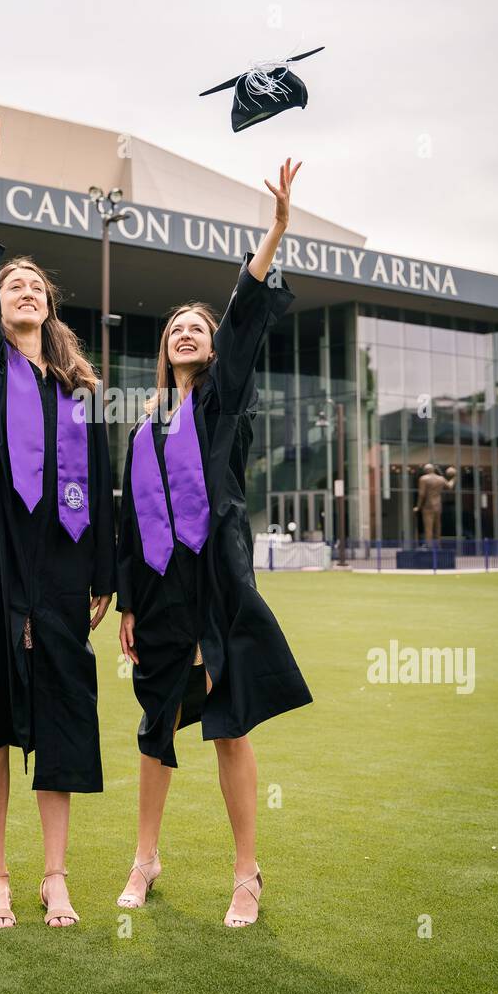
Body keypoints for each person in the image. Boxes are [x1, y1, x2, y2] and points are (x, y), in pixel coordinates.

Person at [115, 158, 313, 927]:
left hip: (219, 586)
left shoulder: (223, 403)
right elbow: (130, 525)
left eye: (199, 327)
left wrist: (275, 231)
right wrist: (128, 603)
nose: (191, 333)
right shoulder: (140, 433)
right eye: (177, 329)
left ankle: (244, 874)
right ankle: (145, 858)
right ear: (165, 351)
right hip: (161, 592)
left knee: (229, 724)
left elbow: (244, 315)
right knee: (154, 726)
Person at [0, 104, 116, 929]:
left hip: (59, 572)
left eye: (34, 285)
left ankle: (55, 875)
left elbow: (107, 492)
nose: (20, 288)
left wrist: (106, 577)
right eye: (13, 282)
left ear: (50, 309)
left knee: (58, 719)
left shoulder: (80, 398)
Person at [414, 463, 456, 543]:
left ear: (426, 470)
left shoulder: (423, 479)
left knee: (428, 528)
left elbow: (421, 494)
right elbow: (450, 487)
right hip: (438, 505)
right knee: (437, 527)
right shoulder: (441, 479)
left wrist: (418, 507)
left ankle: (429, 547)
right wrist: (454, 477)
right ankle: (438, 547)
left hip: (428, 505)